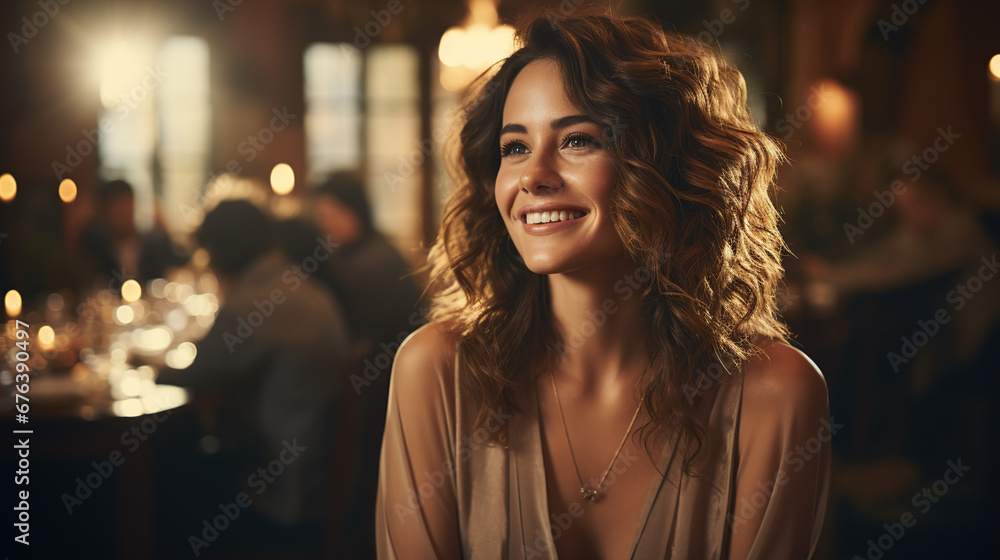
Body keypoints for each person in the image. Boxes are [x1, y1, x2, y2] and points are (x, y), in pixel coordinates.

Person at [376, 10, 830, 560]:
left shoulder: (775, 393)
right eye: (514, 147)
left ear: (664, 166)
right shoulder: (436, 374)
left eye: (578, 140)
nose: (534, 177)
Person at [157, 199, 351, 556]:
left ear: (216, 252)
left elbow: (193, 373)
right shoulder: (300, 283)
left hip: (283, 486)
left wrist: (147, 365)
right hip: (322, 474)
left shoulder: (252, 300)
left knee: (169, 474)